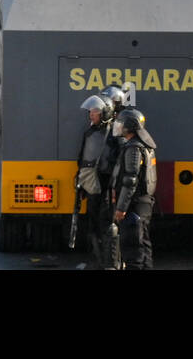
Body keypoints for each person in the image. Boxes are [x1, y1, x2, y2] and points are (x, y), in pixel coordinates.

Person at [76, 94, 120, 270]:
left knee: (107, 222)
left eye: (94, 112)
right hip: (93, 185)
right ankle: (96, 257)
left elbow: (117, 162)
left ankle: (109, 260)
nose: (91, 115)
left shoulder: (115, 135)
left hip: (108, 186)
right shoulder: (90, 133)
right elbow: (83, 158)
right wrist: (80, 180)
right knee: (92, 222)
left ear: (104, 113)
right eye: (90, 111)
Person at [111, 108, 157, 270]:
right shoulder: (143, 145)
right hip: (143, 204)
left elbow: (131, 180)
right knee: (143, 246)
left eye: (121, 123)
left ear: (130, 126)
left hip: (134, 206)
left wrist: (121, 208)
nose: (118, 126)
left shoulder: (133, 148)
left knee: (132, 249)